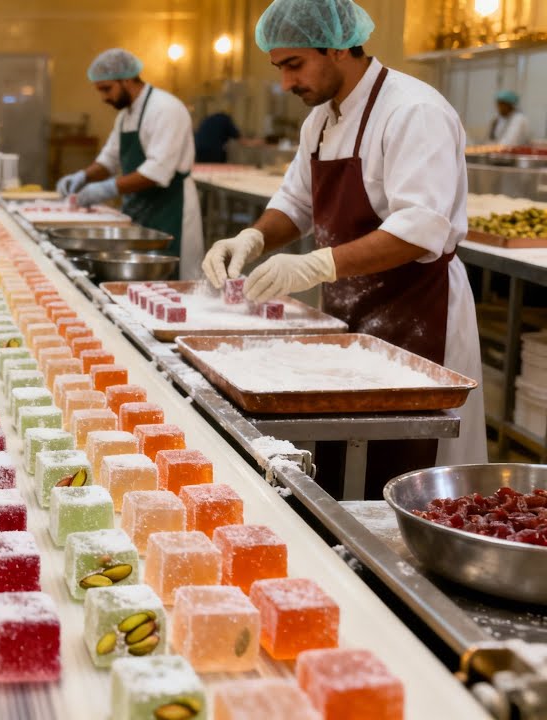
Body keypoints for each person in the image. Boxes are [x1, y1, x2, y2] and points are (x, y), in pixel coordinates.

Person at [202, 0, 486, 497]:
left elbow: (420, 229)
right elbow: (295, 203)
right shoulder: (322, 120)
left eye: (294, 64)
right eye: (280, 68)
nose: (287, 83)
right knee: (345, 463)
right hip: (346, 313)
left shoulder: (411, 110)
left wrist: (318, 263)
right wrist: (252, 238)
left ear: (337, 47)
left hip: (418, 315)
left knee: (405, 475)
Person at [55, 49, 204, 279]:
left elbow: (157, 172)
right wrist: (83, 177)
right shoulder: (125, 116)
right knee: (138, 281)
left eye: (107, 89)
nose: (104, 98)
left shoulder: (165, 109)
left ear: (126, 79)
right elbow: (109, 160)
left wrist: (107, 188)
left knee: (171, 279)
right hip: (139, 208)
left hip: (170, 208)